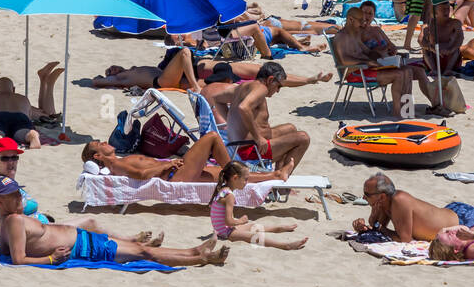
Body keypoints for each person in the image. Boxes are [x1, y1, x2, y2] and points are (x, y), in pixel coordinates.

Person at [0, 176, 229, 266]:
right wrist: (50, 258)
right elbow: (18, 260)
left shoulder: (7, 221)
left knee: (140, 249)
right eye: (11, 196)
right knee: (143, 253)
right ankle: (200, 257)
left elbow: (5, 252)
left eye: (17, 192)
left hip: (83, 241)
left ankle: (195, 251)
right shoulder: (12, 220)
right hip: (82, 248)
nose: (18, 197)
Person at [0, 138, 160, 248]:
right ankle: (132, 242)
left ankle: (132, 242)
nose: (12, 162)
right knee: (89, 224)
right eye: (6, 158)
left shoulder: (0, 181)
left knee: (87, 228)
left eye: (14, 157)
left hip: (38, 229)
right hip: (37, 234)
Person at [81, 135, 292, 184]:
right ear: (98, 156)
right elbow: (143, 175)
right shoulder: (117, 164)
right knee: (211, 137)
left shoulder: (119, 159)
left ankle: (274, 175)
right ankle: (234, 169)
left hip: (174, 171)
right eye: (99, 144)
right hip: (174, 175)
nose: (104, 142)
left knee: (218, 175)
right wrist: (169, 164)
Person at [224, 61, 310, 171]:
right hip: (250, 152)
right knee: (303, 138)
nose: (278, 91)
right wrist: (258, 138)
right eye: (278, 86)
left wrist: (228, 120)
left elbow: (219, 99)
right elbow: (244, 107)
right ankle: (281, 183)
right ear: (270, 80)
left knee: (290, 128)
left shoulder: (246, 86)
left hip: (239, 146)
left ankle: (278, 178)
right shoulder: (261, 89)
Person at [208, 162, 307, 250]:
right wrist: (240, 221)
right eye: (245, 179)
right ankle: (285, 245)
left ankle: (278, 228)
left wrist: (238, 223)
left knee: (253, 226)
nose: (246, 183)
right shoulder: (229, 196)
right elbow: (228, 221)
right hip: (226, 232)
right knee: (254, 235)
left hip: (221, 230)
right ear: (235, 178)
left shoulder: (223, 190)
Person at [92, 46, 202, 92]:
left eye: (111, 67)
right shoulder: (120, 78)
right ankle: (196, 87)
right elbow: (96, 81)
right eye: (110, 71)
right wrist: (100, 77)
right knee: (184, 52)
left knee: (207, 83)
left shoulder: (130, 70)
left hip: (169, 78)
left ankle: (196, 85)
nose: (112, 68)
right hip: (161, 81)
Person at [0, 77, 47, 150]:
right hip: (20, 116)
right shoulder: (24, 99)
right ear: (14, 89)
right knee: (24, 131)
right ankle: (31, 135)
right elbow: (29, 119)